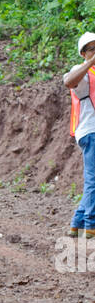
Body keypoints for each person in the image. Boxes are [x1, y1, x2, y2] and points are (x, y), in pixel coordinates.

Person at [65, 31, 95, 239]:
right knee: (93, 180)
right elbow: (68, 80)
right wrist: (90, 63)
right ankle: (91, 225)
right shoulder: (81, 70)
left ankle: (77, 224)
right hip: (90, 131)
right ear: (83, 53)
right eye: (91, 48)